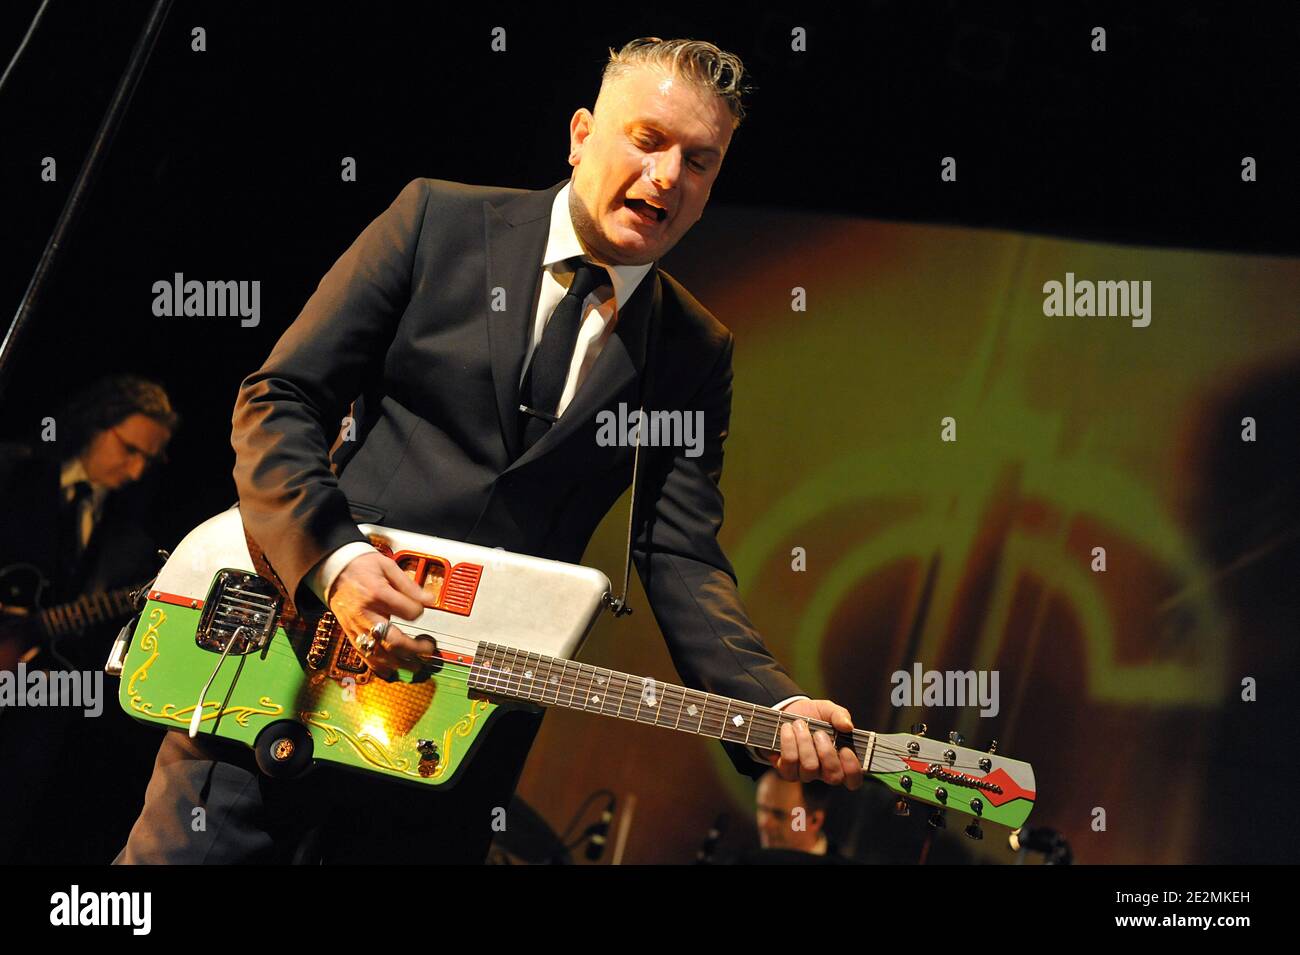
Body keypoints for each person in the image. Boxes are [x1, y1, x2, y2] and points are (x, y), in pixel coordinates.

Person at [116, 37, 863, 865]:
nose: (666, 178)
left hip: (456, 744)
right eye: (647, 140)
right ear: (581, 135)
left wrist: (775, 704)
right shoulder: (437, 220)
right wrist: (336, 560)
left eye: (699, 160)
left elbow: (678, 552)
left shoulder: (694, 350)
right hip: (284, 679)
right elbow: (279, 399)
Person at [0, 374, 177, 863]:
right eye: (129, 449)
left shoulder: (127, 540)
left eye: (149, 459)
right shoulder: (13, 471)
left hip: (34, 705)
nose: (137, 470)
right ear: (98, 425)